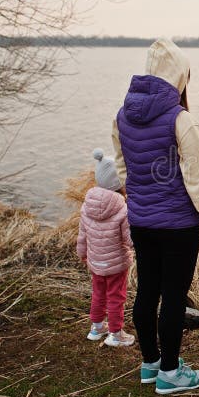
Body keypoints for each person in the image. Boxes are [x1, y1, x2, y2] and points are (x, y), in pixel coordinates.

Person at [112, 38, 199, 395]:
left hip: (141, 221)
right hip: (177, 225)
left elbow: (123, 170)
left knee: (146, 291)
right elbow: (197, 178)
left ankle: (151, 364)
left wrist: (139, 202)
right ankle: (171, 374)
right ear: (179, 76)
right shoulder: (180, 118)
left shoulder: (122, 116)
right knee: (173, 296)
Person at [77, 148, 135, 347]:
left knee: (98, 293)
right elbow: (129, 240)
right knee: (116, 296)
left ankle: (96, 327)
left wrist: (82, 253)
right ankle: (116, 333)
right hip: (116, 264)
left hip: (95, 261)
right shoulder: (122, 208)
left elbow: (82, 234)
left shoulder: (87, 205)